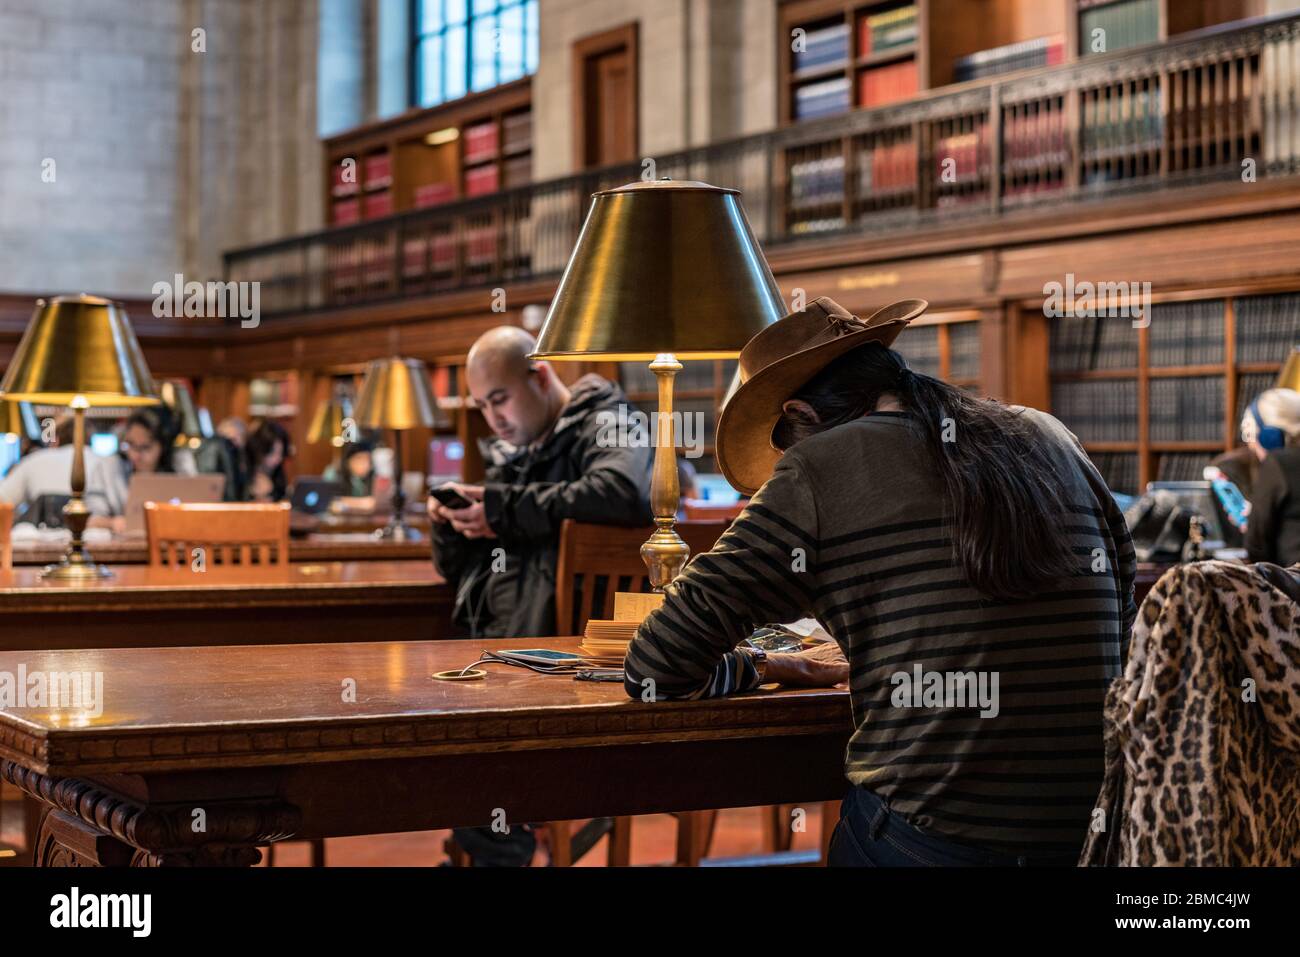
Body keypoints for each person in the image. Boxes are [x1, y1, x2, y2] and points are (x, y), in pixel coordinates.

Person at [624, 297, 1136, 867]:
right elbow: (1124, 608)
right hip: (1098, 837)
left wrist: (766, 664)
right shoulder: (1048, 432)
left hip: (936, 845)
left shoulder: (819, 467)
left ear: (803, 415)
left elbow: (658, 665)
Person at [429, 325, 651, 867]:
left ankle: (508, 845)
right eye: (482, 406)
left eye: (499, 398)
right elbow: (460, 575)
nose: (494, 418)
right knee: (438, 723)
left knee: (473, 742)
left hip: (576, 665)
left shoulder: (607, 419)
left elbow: (623, 491)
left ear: (541, 374)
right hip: (513, 650)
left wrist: (503, 507)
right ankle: (502, 845)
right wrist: (454, 522)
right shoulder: (522, 453)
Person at [85, 405, 191, 531]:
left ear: (164, 448)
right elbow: (90, 519)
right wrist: (112, 523)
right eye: (130, 444)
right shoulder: (108, 468)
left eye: (145, 447)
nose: (134, 455)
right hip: (122, 547)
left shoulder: (179, 466)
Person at [0, 416, 98, 522]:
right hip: (100, 535)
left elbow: (3, 499)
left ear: (56, 440)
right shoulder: (104, 462)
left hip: (37, 535)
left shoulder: (34, 460)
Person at [1243, 387, 1300, 566]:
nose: (1252, 445)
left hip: (1291, 586)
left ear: (1271, 436)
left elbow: (1256, 545)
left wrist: (1254, 519)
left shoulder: (1278, 462)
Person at [244, 419, 292, 502]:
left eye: (280, 453)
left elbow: (280, 497)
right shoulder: (244, 469)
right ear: (259, 450)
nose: (277, 459)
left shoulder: (278, 471)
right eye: (272, 453)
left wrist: (270, 492)